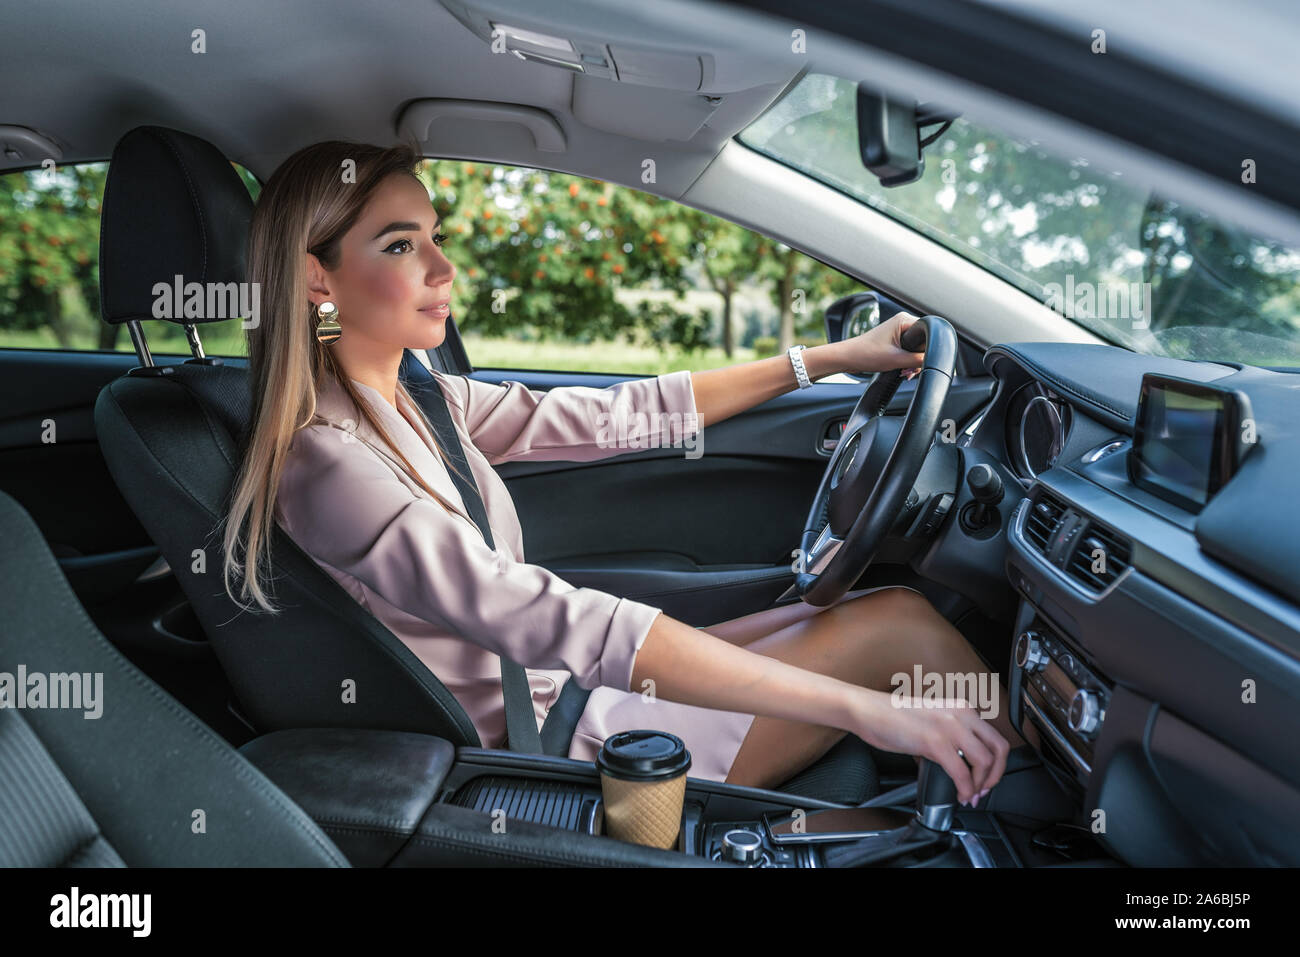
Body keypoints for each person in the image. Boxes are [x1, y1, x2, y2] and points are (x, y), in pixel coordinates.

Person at [222, 139, 1032, 809]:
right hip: (564, 749)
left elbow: (619, 417)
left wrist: (829, 359)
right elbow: (550, 618)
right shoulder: (329, 461)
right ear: (316, 277)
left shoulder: (415, 398)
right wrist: (870, 712)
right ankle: (1035, 813)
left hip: (566, 693)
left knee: (888, 607)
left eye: (436, 235)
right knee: (896, 637)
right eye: (401, 245)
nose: (444, 268)